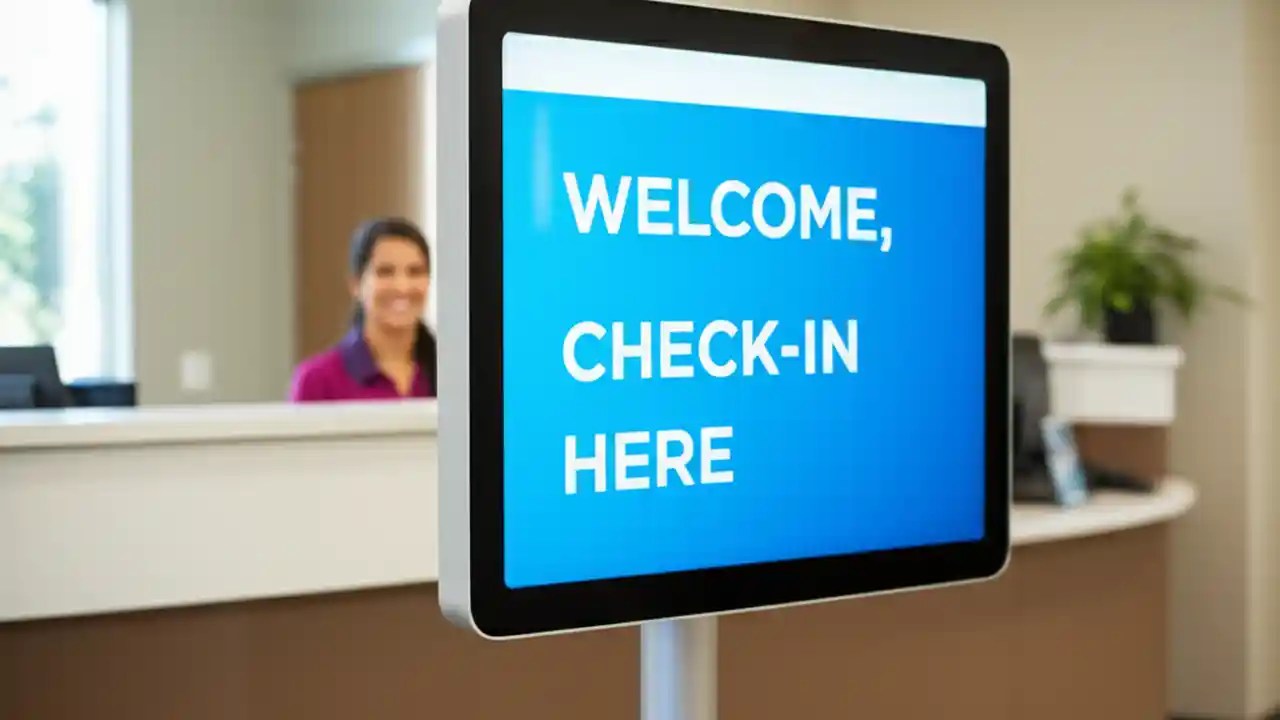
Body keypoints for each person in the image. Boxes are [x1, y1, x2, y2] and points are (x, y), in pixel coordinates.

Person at [290, 217, 437, 402]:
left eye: (415, 272)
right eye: (385, 272)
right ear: (356, 284)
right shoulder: (317, 382)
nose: (402, 287)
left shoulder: (456, 374)